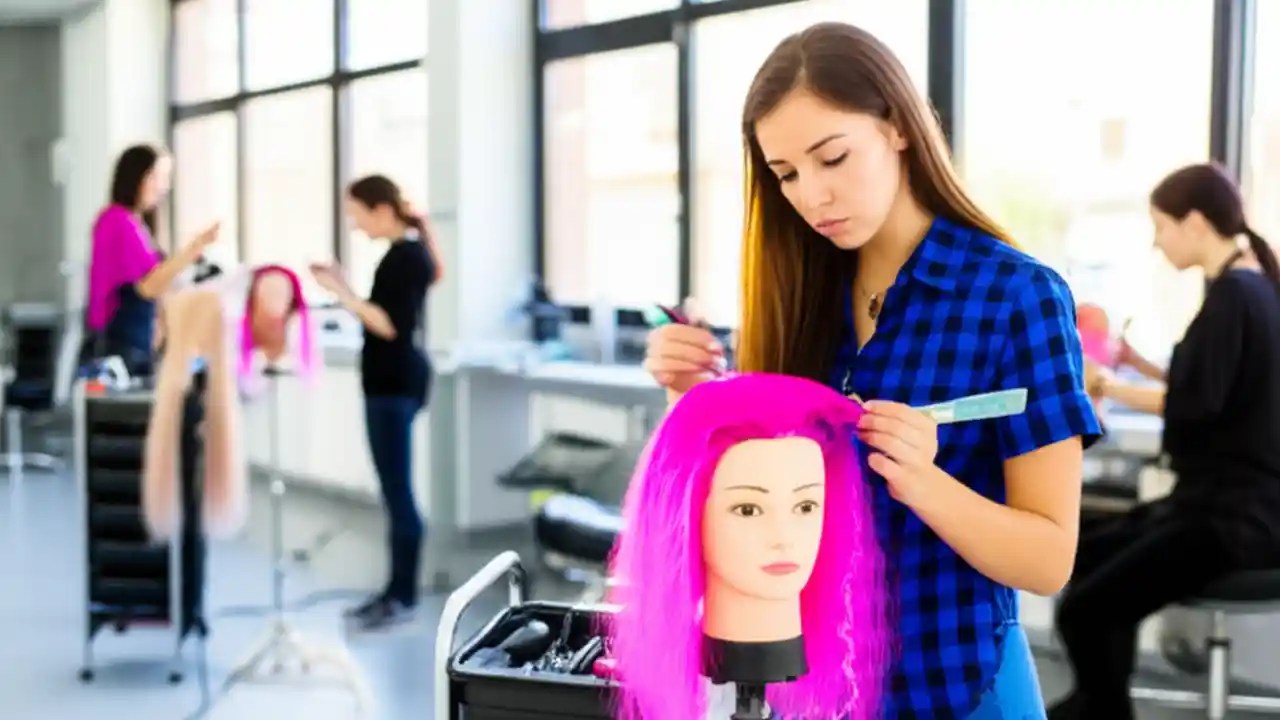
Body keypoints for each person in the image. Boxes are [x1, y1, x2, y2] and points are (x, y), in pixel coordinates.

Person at [643, 22, 1101, 718]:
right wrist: (690, 400)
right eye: (787, 175)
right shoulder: (796, 301)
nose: (812, 196)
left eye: (833, 158)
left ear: (896, 128)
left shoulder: (1016, 296)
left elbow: (1046, 560)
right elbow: (745, 516)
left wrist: (922, 482)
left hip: (956, 680)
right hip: (815, 686)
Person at [1050, 163, 1280, 720]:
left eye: (1162, 226)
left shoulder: (1232, 297)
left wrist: (1103, 384)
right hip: (1229, 505)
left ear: (1196, 222)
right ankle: (1101, 700)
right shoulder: (1254, 289)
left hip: (1231, 519)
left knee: (1085, 609)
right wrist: (1139, 366)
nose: (1157, 242)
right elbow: (1213, 387)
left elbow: (1198, 403)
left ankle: (1101, 708)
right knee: (1082, 556)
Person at [310, 174, 442, 631]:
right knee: (395, 490)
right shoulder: (403, 255)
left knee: (398, 492)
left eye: (357, 214)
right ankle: (394, 591)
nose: (355, 224)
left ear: (381, 209)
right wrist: (344, 285)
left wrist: (340, 293)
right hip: (393, 384)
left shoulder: (405, 257)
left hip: (393, 387)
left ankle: (401, 595)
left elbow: (388, 325)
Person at [86, 144, 219, 375]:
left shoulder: (139, 225)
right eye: (156, 177)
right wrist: (192, 249)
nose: (163, 187)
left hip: (140, 344)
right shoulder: (116, 221)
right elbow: (147, 286)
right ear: (136, 176)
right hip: (120, 344)